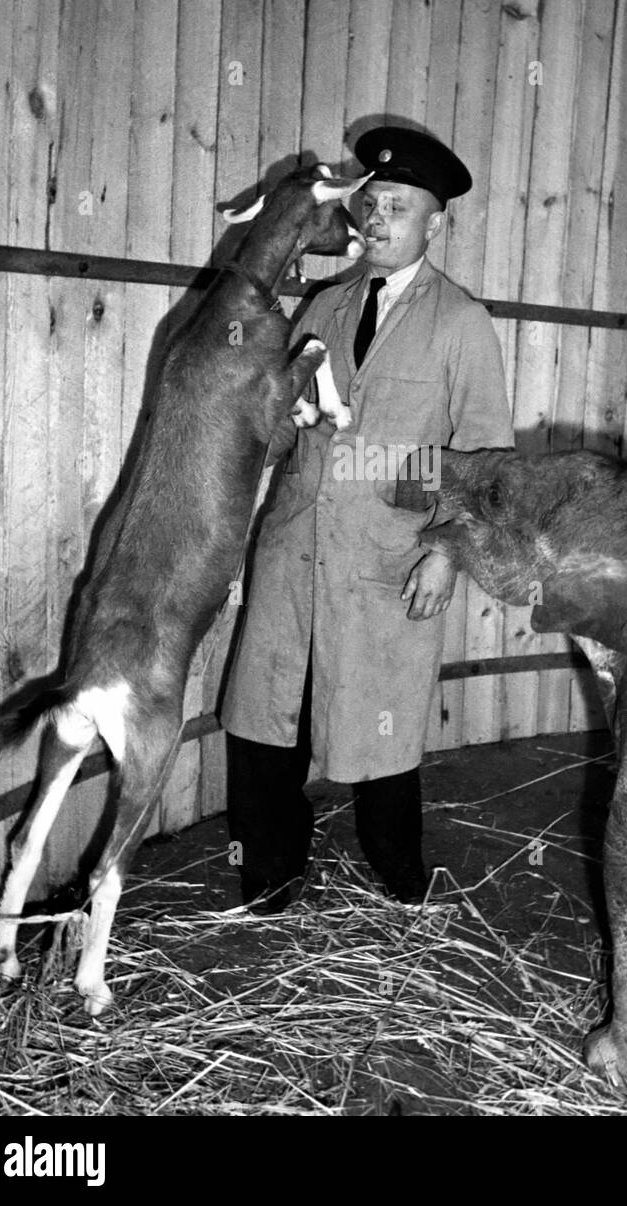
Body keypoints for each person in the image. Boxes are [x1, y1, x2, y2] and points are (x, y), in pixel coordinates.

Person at [222, 126, 515, 910]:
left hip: (387, 557)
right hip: (294, 542)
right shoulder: (321, 302)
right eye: (372, 202)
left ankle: (398, 871)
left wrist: (448, 551)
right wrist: (285, 416)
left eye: (399, 205)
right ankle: (268, 873)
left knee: (380, 724)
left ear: (434, 222)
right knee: (267, 713)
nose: (378, 218)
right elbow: (280, 432)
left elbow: (485, 460)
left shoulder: (460, 323)